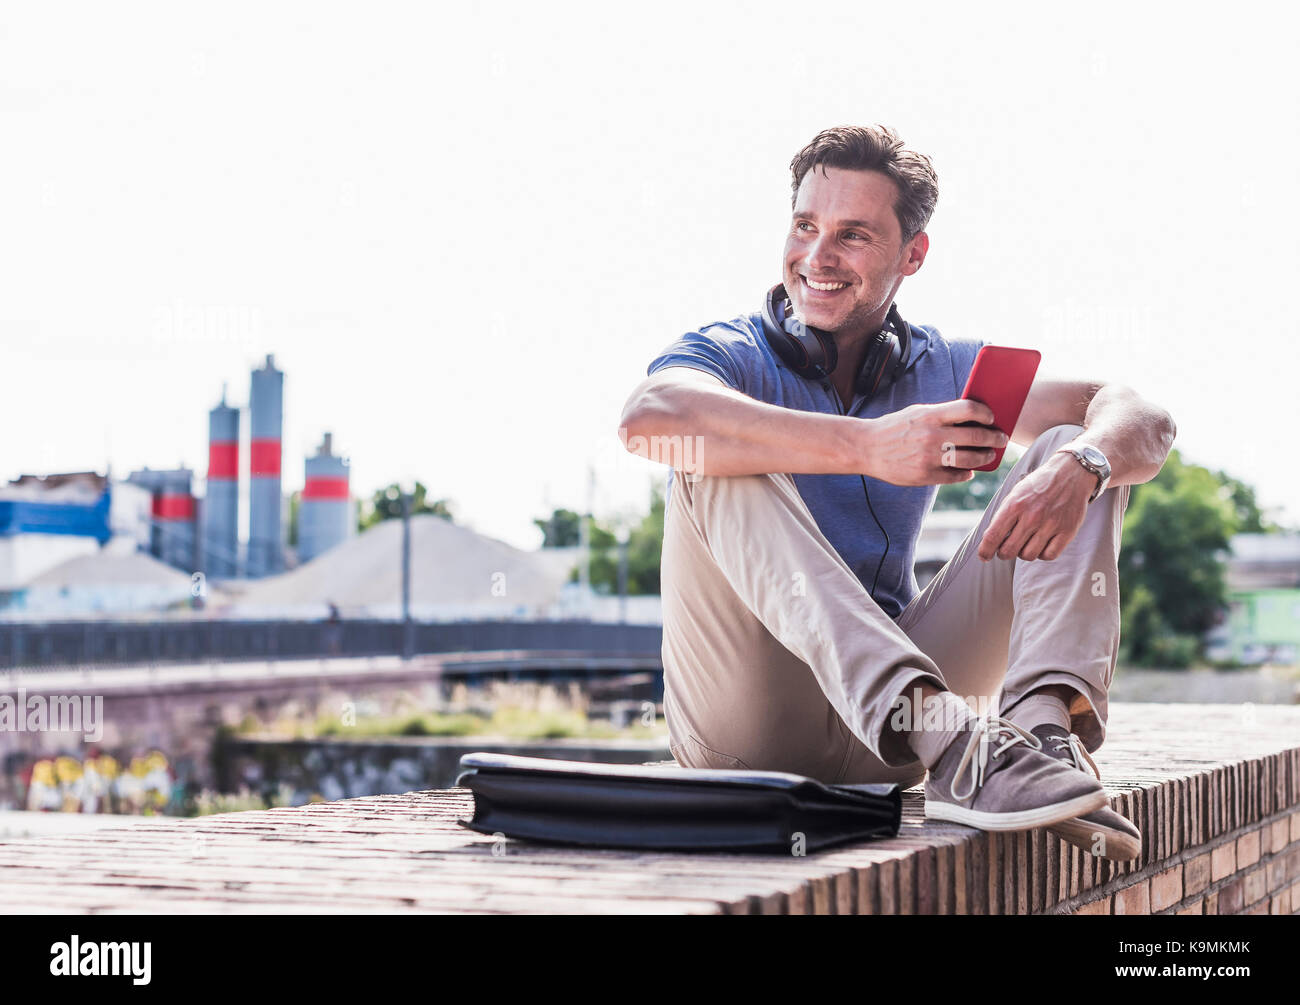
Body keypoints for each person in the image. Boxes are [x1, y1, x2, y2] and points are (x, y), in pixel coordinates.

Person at [618, 125, 1176, 862]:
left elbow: (1142, 415)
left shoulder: (938, 366)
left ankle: (1039, 738)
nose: (817, 257)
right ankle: (954, 736)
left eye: (852, 235)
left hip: (903, 745)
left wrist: (1085, 466)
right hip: (750, 732)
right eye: (806, 226)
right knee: (711, 458)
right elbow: (648, 419)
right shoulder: (732, 351)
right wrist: (868, 446)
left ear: (912, 254)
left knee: (1071, 449)